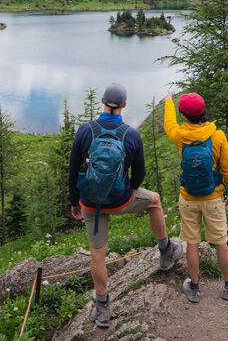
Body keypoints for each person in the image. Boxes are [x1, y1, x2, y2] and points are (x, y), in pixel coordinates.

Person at [69, 83, 183, 328]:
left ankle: (102, 309)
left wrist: (74, 202)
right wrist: (126, 189)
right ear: (124, 105)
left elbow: (73, 170)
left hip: (90, 203)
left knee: (97, 253)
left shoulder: (85, 130)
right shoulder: (130, 134)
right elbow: (139, 174)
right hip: (121, 200)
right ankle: (166, 251)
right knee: (154, 201)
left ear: (102, 101)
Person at [163, 91, 228, 303]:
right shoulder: (217, 136)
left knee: (193, 243)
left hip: (188, 198)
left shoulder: (180, 135)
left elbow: (169, 124)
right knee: (221, 242)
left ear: (184, 115)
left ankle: (195, 287)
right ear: (203, 111)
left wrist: (168, 102)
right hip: (213, 198)